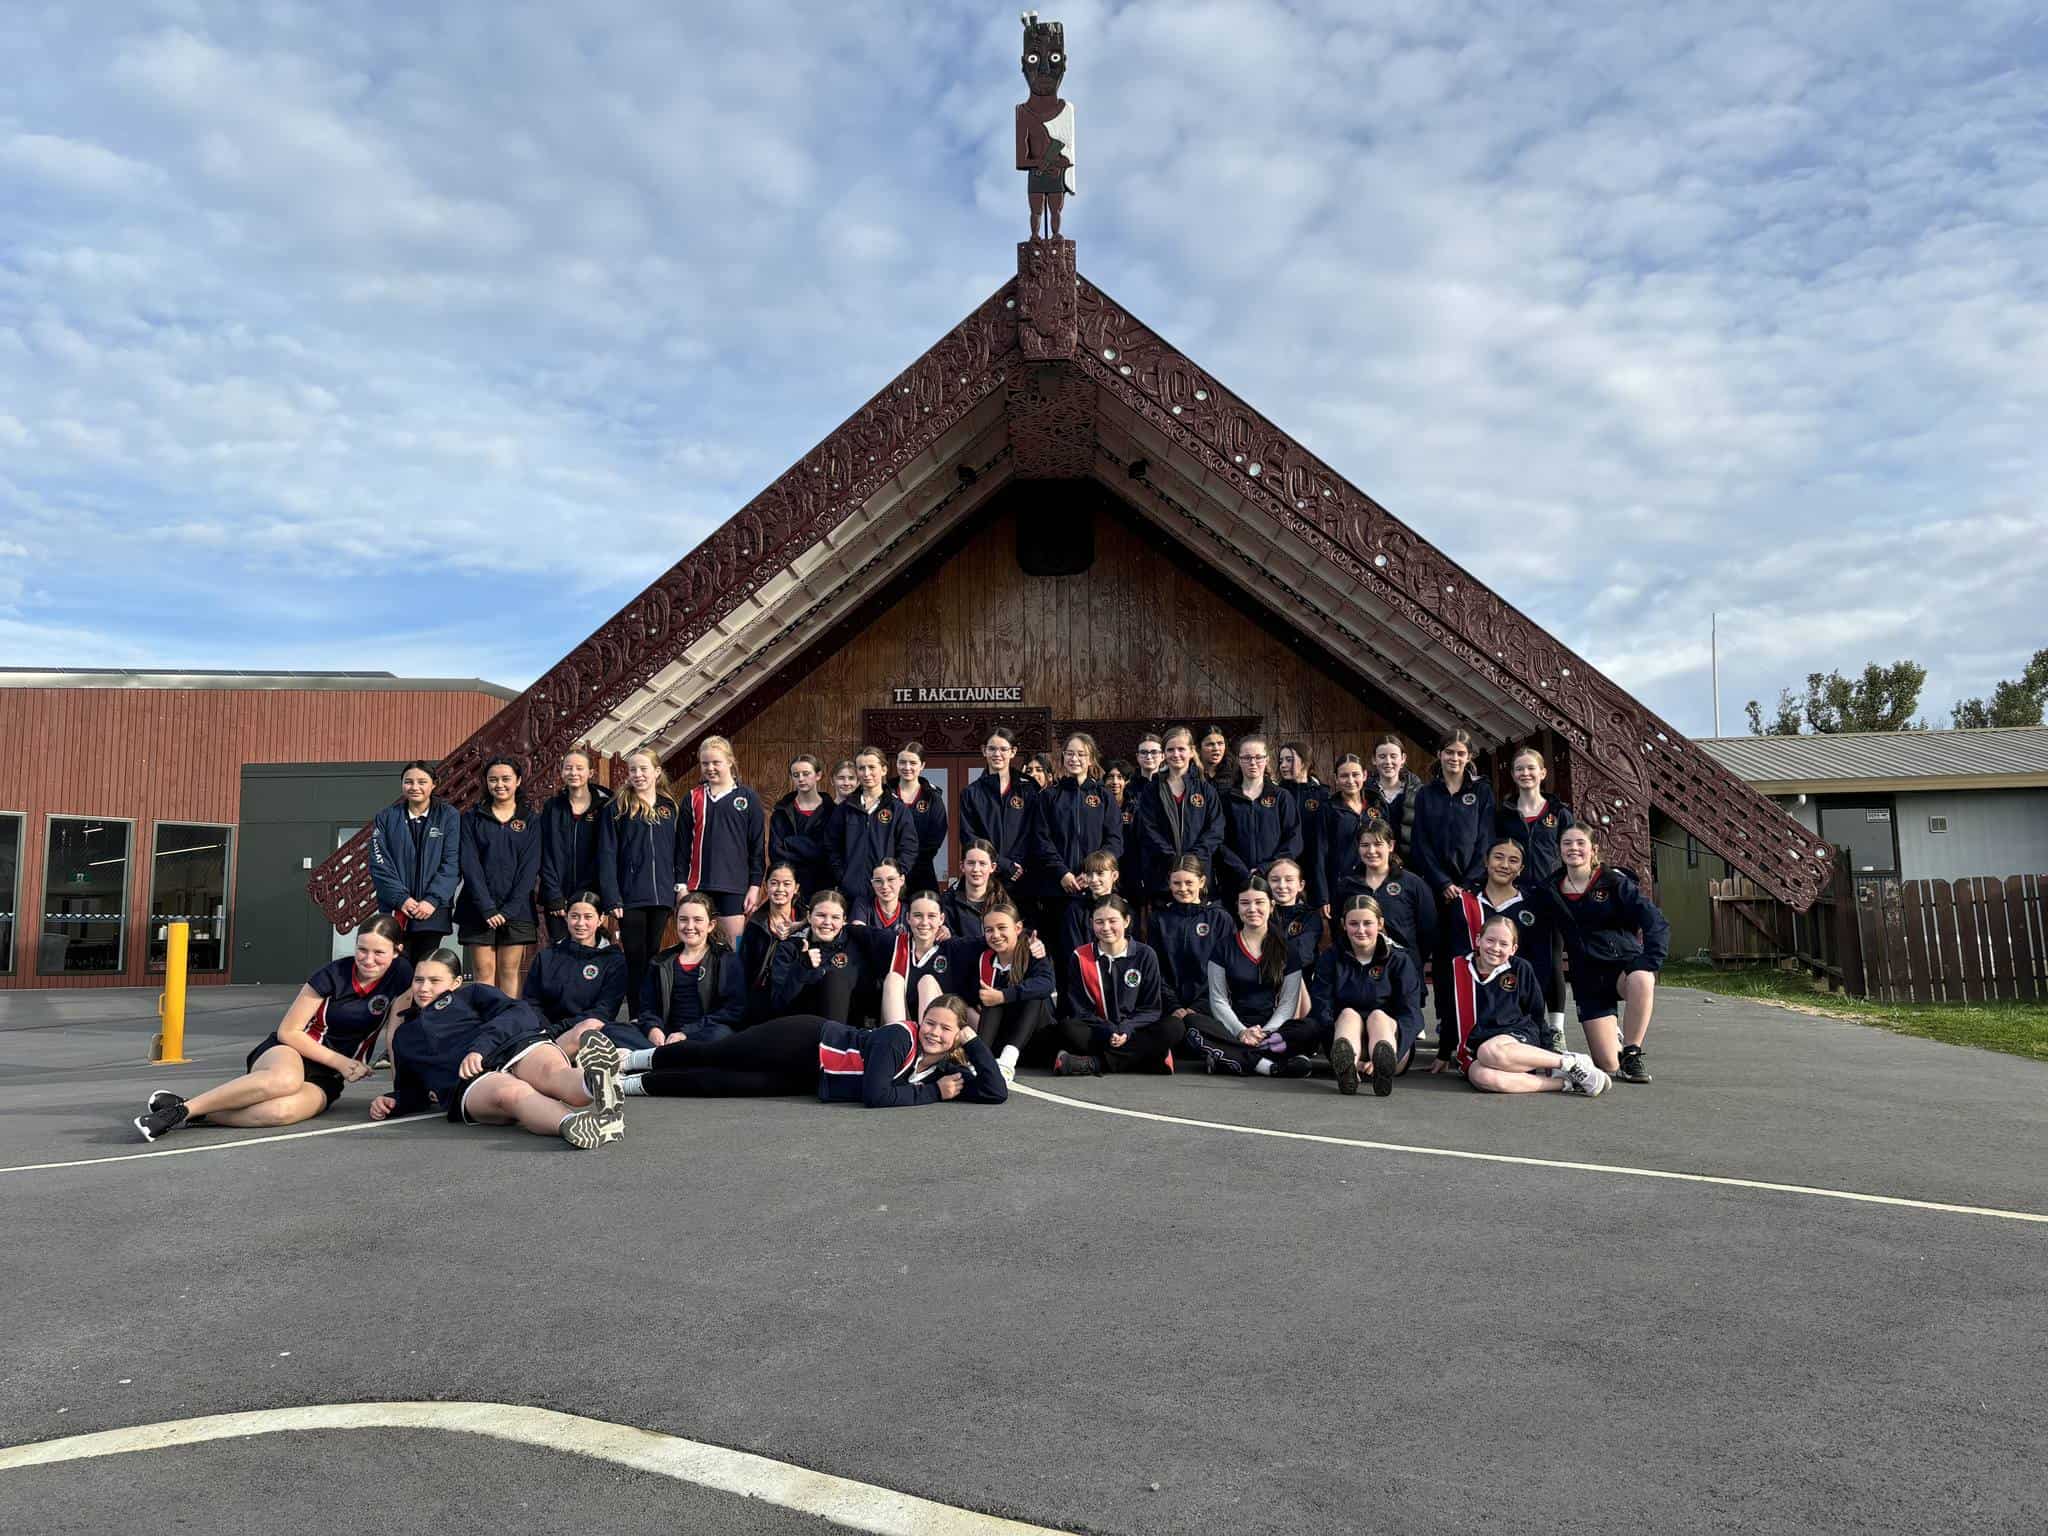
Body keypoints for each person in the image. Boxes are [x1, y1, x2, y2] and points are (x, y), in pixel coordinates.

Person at [133, 918, 413, 1140]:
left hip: (329, 1076)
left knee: (280, 1112)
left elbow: (394, 1034)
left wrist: (399, 1093)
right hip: (290, 1052)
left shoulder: (402, 975)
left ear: (396, 951)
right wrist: (342, 1062)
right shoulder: (332, 975)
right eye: (362, 949)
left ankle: (194, 1111)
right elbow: (288, 1032)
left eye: (379, 952)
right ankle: (179, 1112)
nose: (368, 959)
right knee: (285, 1082)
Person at [369, 949, 625, 1147]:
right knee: (512, 1093)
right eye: (418, 980)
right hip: (470, 1081)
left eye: (435, 980)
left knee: (552, 1073)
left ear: (456, 982)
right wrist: (394, 1101)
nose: (424, 988)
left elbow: (520, 1011)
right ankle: (578, 1125)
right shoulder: (405, 1036)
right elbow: (415, 1090)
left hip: (510, 1047)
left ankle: (595, 1082)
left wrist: (480, 1048)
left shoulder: (473, 994)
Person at [619, 994, 1007, 1106]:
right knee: (717, 1053)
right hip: (807, 1040)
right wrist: (932, 1095)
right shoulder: (899, 1038)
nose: (934, 1033)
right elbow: (876, 1095)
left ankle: (632, 1086)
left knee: (722, 1084)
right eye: (930, 1022)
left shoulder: (939, 1070)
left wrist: (972, 1041)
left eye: (945, 1029)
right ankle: (629, 1060)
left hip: (809, 1077)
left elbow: (994, 1091)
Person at [1533, 824, 1668, 1084]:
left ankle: (1632, 1051)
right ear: (1559, 850)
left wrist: (1648, 961)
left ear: (1593, 849)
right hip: (1588, 978)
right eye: (1567, 843)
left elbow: (1655, 920)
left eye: (1580, 843)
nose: (1573, 848)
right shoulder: (1550, 890)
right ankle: (1615, 1041)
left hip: (1622, 967)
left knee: (1643, 978)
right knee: (1607, 1064)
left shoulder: (1614, 882)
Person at [1431, 916, 1610, 1097]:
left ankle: (1569, 1062)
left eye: (1503, 944)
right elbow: (1450, 1014)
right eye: (1490, 940)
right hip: (1475, 1046)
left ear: (1513, 949)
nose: (1495, 948)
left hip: (1515, 1035)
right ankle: (1567, 1083)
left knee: (1490, 1051)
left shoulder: (1520, 968)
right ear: (1478, 940)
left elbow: (1537, 1013)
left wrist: (1550, 1051)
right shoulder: (1457, 968)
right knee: (1484, 1078)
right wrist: (1444, 1054)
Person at [1180, 876, 1314, 1077]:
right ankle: (1268, 1065)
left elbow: (1288, 1003)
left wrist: (1266, 1032)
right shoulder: (1223, 947)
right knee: (1193, 1023)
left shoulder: (1288, 950)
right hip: (1232, 1027)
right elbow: (1218, 1000)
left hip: (1273, 1029)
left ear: (1271, 905)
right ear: (1237, 907)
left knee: (1310, 1028)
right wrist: (1242, 1032)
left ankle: (1231, 1059)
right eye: (1245, 903)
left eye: (1259, 902)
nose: (1252, 909)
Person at [1448, 836, 1562, 1051]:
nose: (1504, 865)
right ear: (1486, 861)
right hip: (1473, 1000)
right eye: (1498, 857)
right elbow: (1455, 960)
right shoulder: (1465, 903)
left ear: (1521, 868)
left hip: (1514, 1004)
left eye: (1513, 860)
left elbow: (1541, 960)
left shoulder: (1533, 905)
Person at [597, 745, 683, 1017]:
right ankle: (636, 1015)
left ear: (657, 772)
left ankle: (653, 1013)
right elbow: (607, 854)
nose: (637, 774)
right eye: (633, 769)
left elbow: (679, 851)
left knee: (654, 957)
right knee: (635, 958)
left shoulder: (670, 807)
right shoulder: (617, 808)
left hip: (662, 897)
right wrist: (612, 896)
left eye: (643, 769)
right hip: (630, 896)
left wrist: (679, 887)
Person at [1310, 896, 1424, 1097]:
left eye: (1367, 923)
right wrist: (1332, 1044)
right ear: (1344, 925)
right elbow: (1321, 1006)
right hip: (1346, 1039)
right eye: (1353, 923)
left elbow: (1412, 1014)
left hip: (1392, 1041)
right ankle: (1348, 1069)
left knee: (1377, 1016)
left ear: (1380, 924)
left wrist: (1395, 1055)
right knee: (1348, 1014)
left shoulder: (1399, 960)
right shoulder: (1330, 958)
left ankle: (1383, 1066)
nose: (1360, 930)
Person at [1052, 895, 1174, 1076]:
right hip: (1099, 1030)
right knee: (1068, 1029)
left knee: (1174, 1027)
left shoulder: (1145, 954)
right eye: (1099, 922)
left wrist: (1127, 1028)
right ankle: (1149, 1061)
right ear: (1092, 923)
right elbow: (1081, 1010)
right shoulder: (1080, 956)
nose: (1106, 927)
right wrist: (1108, 1029)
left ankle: (1094, 1063)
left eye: (1112, 921)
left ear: (1126, 921)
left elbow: (1152, 1009)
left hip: (1135, 1030)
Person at [455, 755, 544, 997]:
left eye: (506, 779)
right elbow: (469, 865)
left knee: (509, 971)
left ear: (518, 780)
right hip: (478, 908)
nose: (500, 784)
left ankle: (509, 1026)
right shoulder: (471, 818)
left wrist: (508, 910)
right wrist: (487, 908)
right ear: (486, 782)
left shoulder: (531, 820)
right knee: (483, 972)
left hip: (516, 909)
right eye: (493, 779)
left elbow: (529, 868)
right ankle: (485, 1026)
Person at [946, 900, 1053, 1081]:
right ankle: (981, 1059)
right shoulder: (983, 954)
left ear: (1018, 928)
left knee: (1032, 993)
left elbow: (1047, 984)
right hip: (999, 1039)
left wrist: (1004, 995)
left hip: (1035, 1039)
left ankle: (1006, 1061)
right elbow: (954, 945)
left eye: (1002, 927)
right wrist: (942, 933)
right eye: (989, 930)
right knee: (991, 995)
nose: (995, 935)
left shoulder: (1032, 952)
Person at [677, 735, 765, 947]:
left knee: (734, 949)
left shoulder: (747, 797)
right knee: (697, 948)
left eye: (716, 762)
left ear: (730, 761)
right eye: (705, 763)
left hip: (734, 887)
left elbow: (757, 847)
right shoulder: (692, 797)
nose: (710, 768)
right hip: (697, 886)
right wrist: (681, 887)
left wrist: (754, 886)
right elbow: (680, 848)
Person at [369, 761, 461, 963]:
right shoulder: (386, 817)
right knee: (397, 967)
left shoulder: (448, 816)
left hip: (432, 911)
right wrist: (401, 898)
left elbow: (452, 863)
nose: (415, 787)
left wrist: (432, 900)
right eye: (408, 782)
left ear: (434, 784)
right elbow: (379, 863)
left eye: (422, 781)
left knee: (425, 968)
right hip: (397, 908)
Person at [637, 891, 749, 1046]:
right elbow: (647, 1007)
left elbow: (733, 1010)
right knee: (614, 1029)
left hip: (704, 1033)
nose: (689, 927)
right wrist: (653, 1029)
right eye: (683, 920)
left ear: (711, 925)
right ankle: (664, 1053)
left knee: (721, 1035)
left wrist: (686, 1033)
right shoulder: (660, 961)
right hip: (666, 1035)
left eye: (697, 920)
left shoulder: (725, 960)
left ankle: (657, 1056)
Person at [525, 892, 631, 1056]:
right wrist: (544, 1029)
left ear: (600, 919)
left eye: (588, 917)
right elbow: (531, 1001)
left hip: (585, 1035)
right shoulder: (546, 956)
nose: (581, 923)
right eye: (574, 916)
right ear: (566, 918)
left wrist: (557, 1031)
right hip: (542, 1033)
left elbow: (604, 1011)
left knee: (591, 1025)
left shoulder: (613, 961)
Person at [1031, 733, 1122, 918]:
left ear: (1091, 759)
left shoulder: (1104, 796)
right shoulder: (1049, 796)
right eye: (1070, 753)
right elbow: (1041, 839)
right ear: (1063, 757)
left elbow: (1115, 839)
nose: (1075, 759)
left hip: (1096, 890)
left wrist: (1092, 873)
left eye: (1081, 754)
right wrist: (1062, 873)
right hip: (1056, 888)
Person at [1133, 725, 1224, 908]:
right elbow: (1147, 829)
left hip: (1197, 876)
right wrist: (1173, 859)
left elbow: (1216, 829)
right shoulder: (1152, 790)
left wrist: (1192, 860)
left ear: (1191, 752)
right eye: (1170, 750)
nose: (1176, 754)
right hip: (1163, 876)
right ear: (1164, 754)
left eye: (1181, 749)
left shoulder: (1206, 789)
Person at [1332, 819, 1436, 975]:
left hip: (1405, 973)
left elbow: (1429, 930)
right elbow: (1338, 929)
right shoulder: (1347, 886)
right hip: (1359, 975)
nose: (1371, 851)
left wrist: (1411, 960)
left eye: (1378, 844)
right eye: (1365, 845)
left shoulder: (1413, 884)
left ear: (1391, 846)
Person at [1410, 729, 1496, 907]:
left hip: (1473, 886)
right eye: (1449, 752)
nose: (1454, 758)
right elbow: (1421, 842)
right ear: (1439, 754)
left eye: (1460, 753)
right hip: (1435, 887)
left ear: (1469, 756)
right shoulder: (1425, 794)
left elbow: (1486, 839)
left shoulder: (1482, 791)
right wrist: (1443, 882)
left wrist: (1468, 883)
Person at [537, 745, 613, 945]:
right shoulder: (552, 807)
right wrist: (554, 895)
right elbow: (545, 853)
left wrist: (597, 896)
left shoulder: (606, 807)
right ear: (562, 772)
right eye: (568, 768)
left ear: (591, 773)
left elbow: (608, 855)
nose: (574, 773)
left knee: (590, 952)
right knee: (561, 954)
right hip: (557, 896)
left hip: (591, 895)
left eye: (579, 768)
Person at [1215, 734, 1302, 903]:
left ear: (1266, 759)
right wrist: (1241, 870)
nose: (1252, 763)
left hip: (1273, 881)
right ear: (1239, 760)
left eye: (1258, 757)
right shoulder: (1225, 798)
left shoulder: (1281, 797)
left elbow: (1294, 839)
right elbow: (1218, 840)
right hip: (1235, 880)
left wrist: (1266, 868)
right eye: (1246, 758)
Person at [1151, 855, 1231, 1039]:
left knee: (1197, 1026)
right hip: (1170, 1009)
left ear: (1201, 881)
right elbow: (1156, 969)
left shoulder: (1219, 918)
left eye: (1189, 882)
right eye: (1176, 883)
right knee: (1173, 1030)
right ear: (1169, 883)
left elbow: (1226, 969)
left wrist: (1198, 1007)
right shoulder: (1159, 919)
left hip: (1209, 1005)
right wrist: (1174, 1006)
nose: (1183, 889)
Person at [767, 889, 870, 1023]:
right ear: (809, 917)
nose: (827, 922)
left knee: (835, 979)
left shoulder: (854, 947)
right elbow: (778, 1003)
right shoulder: (790, 948)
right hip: (800, 1026)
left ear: (844, 920)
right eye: (821, 915)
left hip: (843, 1030)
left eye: (835, 917)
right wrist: (802, 968)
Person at [833, 746, 918, 905]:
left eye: (872, 767)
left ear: (884, 769)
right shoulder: (844, 809)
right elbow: (831, 847)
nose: (866, 773)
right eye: (861, 768)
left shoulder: (897, 809)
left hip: (887, 894)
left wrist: (894, 877)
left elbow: (909, 848)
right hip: (851, 895)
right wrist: (843, 876)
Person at [959, 728, 1037, 888]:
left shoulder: (1028, 790)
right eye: (992, 749)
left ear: (1013, 752)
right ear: (984, 751)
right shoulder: (971, 793)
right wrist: (1000, 863)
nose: (997, 754)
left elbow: (1033, 831)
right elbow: (969, 836)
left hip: (1022, 875)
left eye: (1003, 749)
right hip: (986, 875)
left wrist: (1015, 865)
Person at [1496, 746, 1575, 887]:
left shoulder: (1560, 812)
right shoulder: (1503, 815)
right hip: (1514, 891)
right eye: (1519, 769)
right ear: (1513, 775)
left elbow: (1572, 854)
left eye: (1531, 768)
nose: (1525, 773)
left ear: (1543, 773)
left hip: (1552, 892)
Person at [739, 862, 805, 1023]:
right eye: (774, 883)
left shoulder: (807, 920)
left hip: (798, 992)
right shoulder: (755, 925)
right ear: (766, 886)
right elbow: (744, 970)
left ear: (796, 888)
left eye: (787, 884)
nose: (780, 889)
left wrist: (803, 925)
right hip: (764, 995)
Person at [877, 891, 955, 1026]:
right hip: (901, 1024)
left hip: (939, 1030)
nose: (924, 922)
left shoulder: (953, 947)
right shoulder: (894, 944)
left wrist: (1003, 995)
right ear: (908, 918)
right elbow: (854, 930)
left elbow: (989, 941)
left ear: (941, 919)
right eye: (917, 915)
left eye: (931, 916)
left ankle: (927, 1045)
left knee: (927, 982)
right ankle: (898, 1041)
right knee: (892, 979)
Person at [770, 754, 837, 901]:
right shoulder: (781, 811)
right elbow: (776, 852)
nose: (801, 779)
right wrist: (808, 849)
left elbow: (827, 852)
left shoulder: (832, 812)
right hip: (790, 887)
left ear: (818, 775)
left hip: (823, 884)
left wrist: (791, 842)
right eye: (796, 775)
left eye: (806, 774)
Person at [1057, 849, 1122, 994]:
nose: (1093, 879)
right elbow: (1073, 949)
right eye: (1089, 874)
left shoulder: (1124, 909)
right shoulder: (1075, 909)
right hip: (1085, 977)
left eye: (1100, 874)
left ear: (1114, 875)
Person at [892, 742, 949, 894]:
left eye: (913, 763)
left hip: (921, 871)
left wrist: (908, 864)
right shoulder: (884, 794)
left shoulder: (932, 798)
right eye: (902, 762)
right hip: (888, 871)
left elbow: (936, 837)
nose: (907, 767)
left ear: (922, 765)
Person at [1318, 753, 1369, 918]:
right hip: (1340, 886)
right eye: (1344, 776)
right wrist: (1323, 896)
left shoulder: (1376, 806)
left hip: (1372, 883)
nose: (1350, 780)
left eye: (1355, 774)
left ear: (1365, 775)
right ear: (1336, 778)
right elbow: (1319, 853)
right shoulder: (1328, 809)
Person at [1363, 735, 1424, 867]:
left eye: (1393, 756)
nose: (1388, 761)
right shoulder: (1364, 793)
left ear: (1403, 759)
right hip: (1373, 865)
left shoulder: (1419, 793)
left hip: (1412, 867)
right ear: (1374, 759)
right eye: (1382, 756)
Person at [939, 838, 1007, 941]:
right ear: (962, 866)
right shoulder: (947, 902)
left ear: (992, 867)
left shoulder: (1003, 899)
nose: (976, 869)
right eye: (971, 863)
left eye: (982, 863)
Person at [1264, 856, 1323, 971]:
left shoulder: (1310, 917)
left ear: (1301, 885)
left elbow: (1302, 955)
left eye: (1289, 880)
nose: (1281, 886)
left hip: (1297, 982)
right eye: (1275, 880)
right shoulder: (1260, 914)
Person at [850, 857, 909, 933]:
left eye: (890, 879)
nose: (884, 886)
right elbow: (859, 936)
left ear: (901, 880)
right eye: (878, 881)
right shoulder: (862, 905)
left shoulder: (910, 910)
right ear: (872, 883)